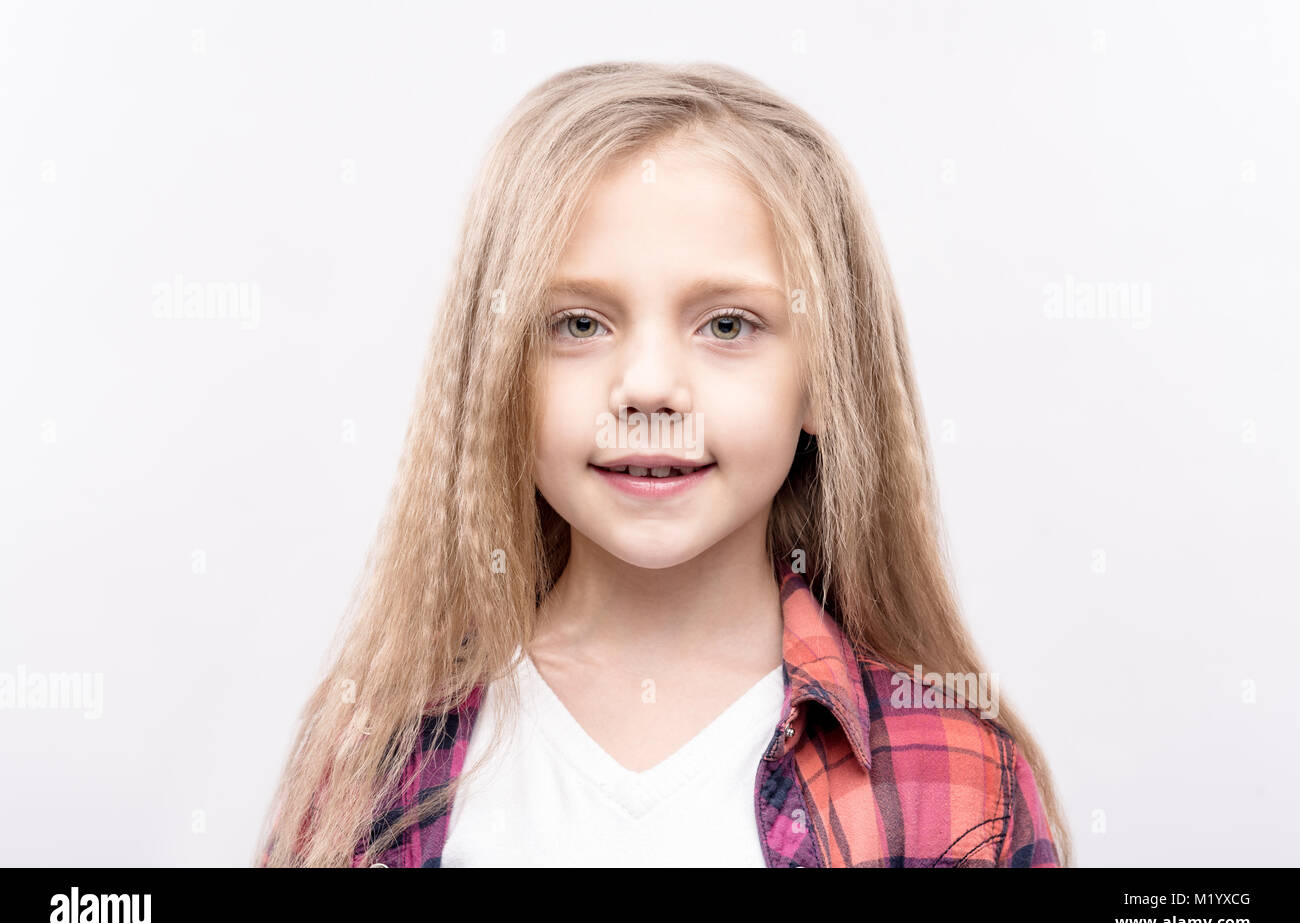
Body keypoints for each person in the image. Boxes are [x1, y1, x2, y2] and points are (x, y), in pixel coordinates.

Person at [256, 61, 1069, 868]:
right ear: (498, 372)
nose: (647, 387)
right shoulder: (379, 757)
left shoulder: (956, 781)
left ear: (826, 382)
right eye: (578, 323)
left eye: (726, 325)